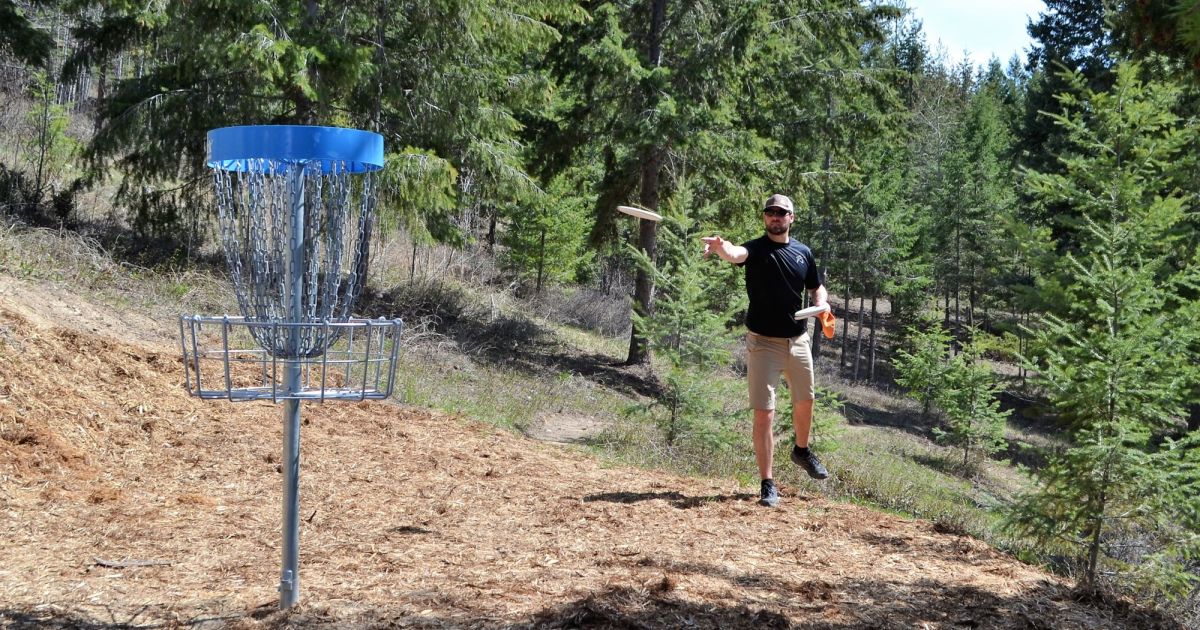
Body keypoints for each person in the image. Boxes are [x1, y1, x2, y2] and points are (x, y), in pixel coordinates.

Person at [701, 193, 830, 508]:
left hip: (797, 340)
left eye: (781, 213)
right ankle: (767, 484)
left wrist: (821, 304)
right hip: (763, 344)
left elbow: (816, 286)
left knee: (805, 401)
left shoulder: (803, 253)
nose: (775, 217)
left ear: (791, 218)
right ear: (765, 218)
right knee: (765, 414)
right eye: (770, 213)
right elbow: (735, 253)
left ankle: (801, 451)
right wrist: (721, 248)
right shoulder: (756, 249)